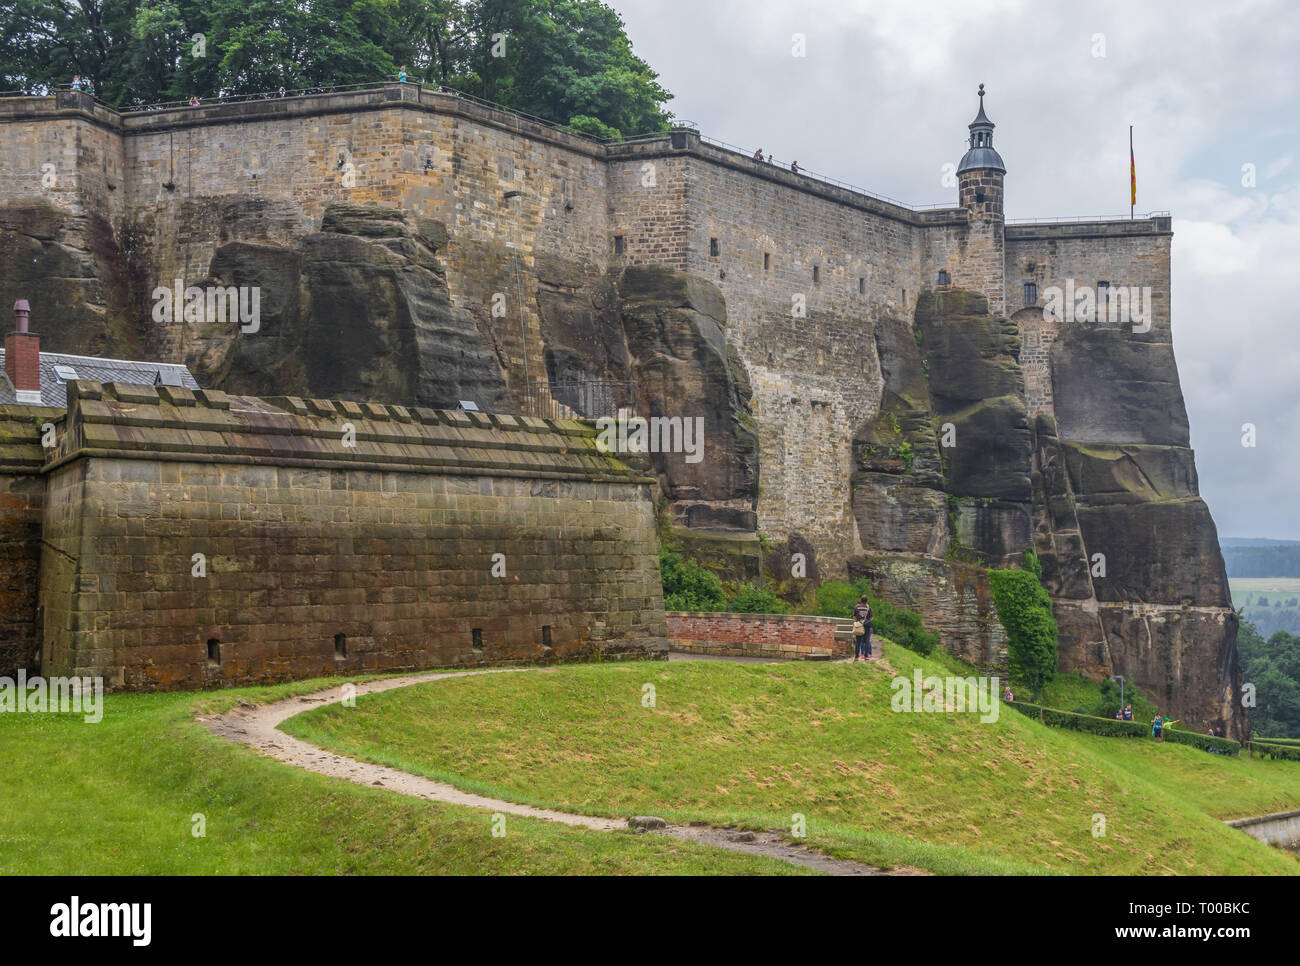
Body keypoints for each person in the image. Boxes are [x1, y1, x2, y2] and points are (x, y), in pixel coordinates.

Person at [851, 595, 873, 662]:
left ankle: (856, 657)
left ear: (861, 600)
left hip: (859, 626)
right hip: (866, 626)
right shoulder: (869, 608)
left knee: (858, 642)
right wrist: (865, 621)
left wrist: (858, 621)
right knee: (866, 641)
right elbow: (871, 618)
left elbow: (854, 617)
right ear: (867, 601)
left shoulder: (856, 607)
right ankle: (866, 657)